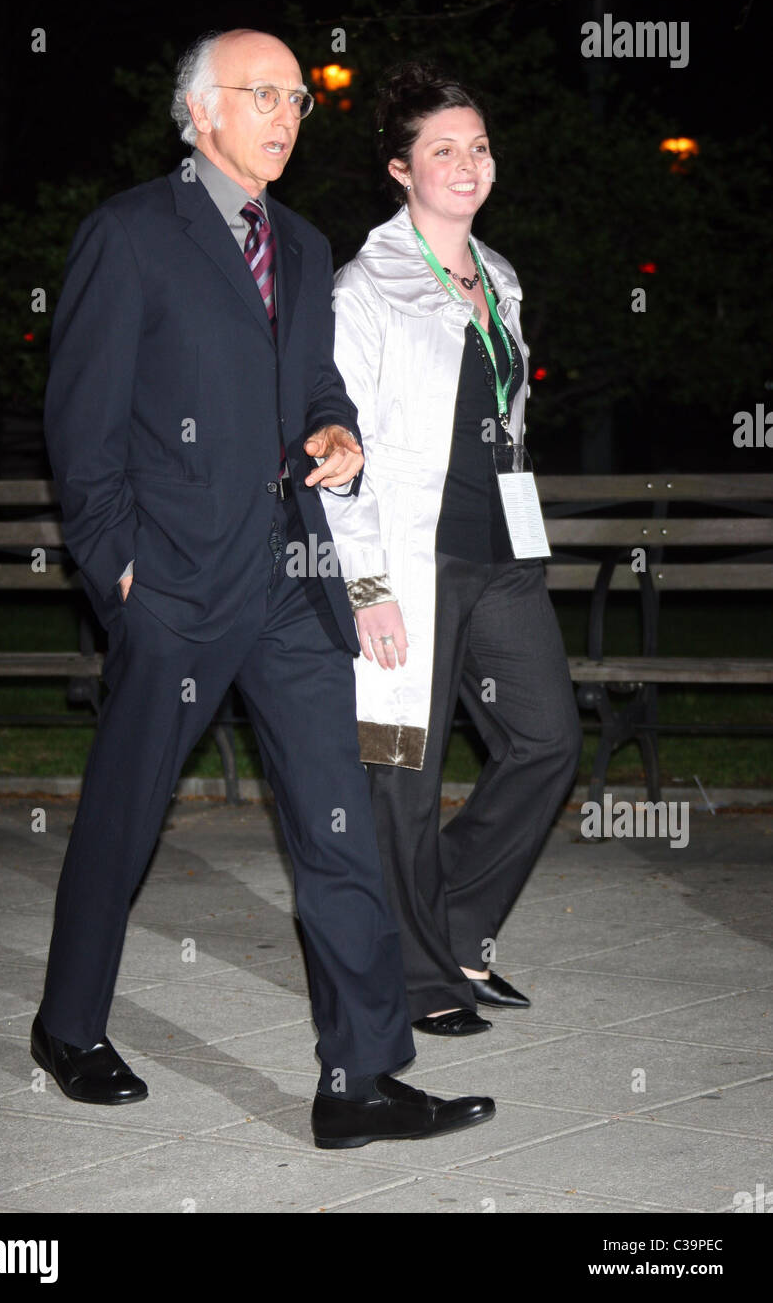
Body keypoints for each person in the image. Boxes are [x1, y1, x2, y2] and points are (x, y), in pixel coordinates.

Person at [34, 30, 496, 1149]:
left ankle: (360, 1078)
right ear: (201, 112)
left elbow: (313, 386)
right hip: (178, 587)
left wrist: (330, 430)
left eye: (295, 96)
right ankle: (68, 1025)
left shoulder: (297, 242)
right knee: (125, 816)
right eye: (262, 94)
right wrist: (122, 571)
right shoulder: (131, 234)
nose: (287, 113)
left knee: (336, 827)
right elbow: (80, 429)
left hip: (291, 580)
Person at [320, 62, 583, 1037]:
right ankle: (418, 968)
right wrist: (368, 587)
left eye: (476, 145)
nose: (466, 163)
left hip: (499, 561)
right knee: (399, 763)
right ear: (400, 169)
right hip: (407, 564)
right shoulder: (365, 288)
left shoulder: (499, 276)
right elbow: (334, 453)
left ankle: (458, 919)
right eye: (442, 149)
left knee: (547, 739)